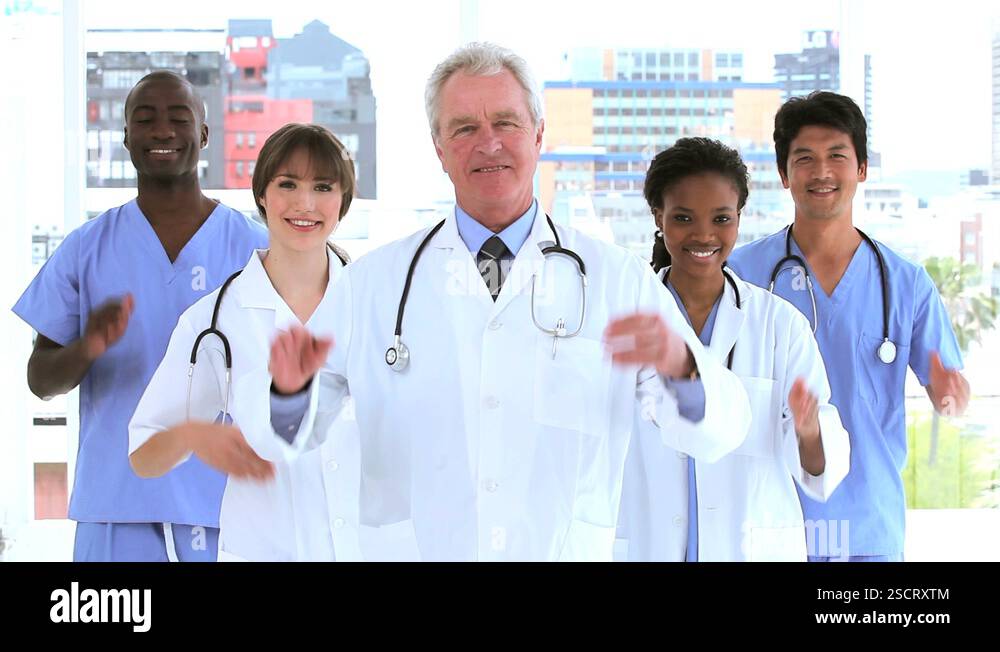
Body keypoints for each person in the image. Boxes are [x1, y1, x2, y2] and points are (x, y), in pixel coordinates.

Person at [243, 43, 751, 562]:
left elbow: (718, 434)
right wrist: (285, 392)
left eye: (505, 123)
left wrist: (681, 370)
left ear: (537, 135)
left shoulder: (616, 281)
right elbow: (281, 437)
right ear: (439, 148)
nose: (488, 144)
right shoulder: (371, 285)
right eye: (464, 128)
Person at [11, 71, 268, 561]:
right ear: (127, 136)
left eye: (179, 118)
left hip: (227, 509)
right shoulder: (87, 248)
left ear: (204, 133)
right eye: (145, 119)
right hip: (115, 507)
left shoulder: (255, 248)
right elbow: (40, 382)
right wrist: (88, 345)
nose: (163, 131)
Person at [727, 91, 969, 561]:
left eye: (837, 156)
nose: (821, 172)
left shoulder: (905, 283)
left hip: (868, 529)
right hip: (770, 522)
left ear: (861, 169)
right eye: (804, 159)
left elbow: (950, 396)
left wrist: (949, 396)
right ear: (783, 175)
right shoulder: (741, 276)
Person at [128, 123, 361, 561]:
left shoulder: (381, 304)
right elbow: (144, 455)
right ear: (261, 195)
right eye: (287, 184)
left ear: (343, 200)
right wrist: (194, 434)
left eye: (323, 186)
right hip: (265, 548)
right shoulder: (214, 319)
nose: (305, 203)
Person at [617, 137, 849, 561]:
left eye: (721, 218)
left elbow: (820, 470)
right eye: (684, 217)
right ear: (659, 217)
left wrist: (808, 429)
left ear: (739, 218)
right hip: (646, 543)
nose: (704, 234)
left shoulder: (779, 326)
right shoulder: (626, 317)